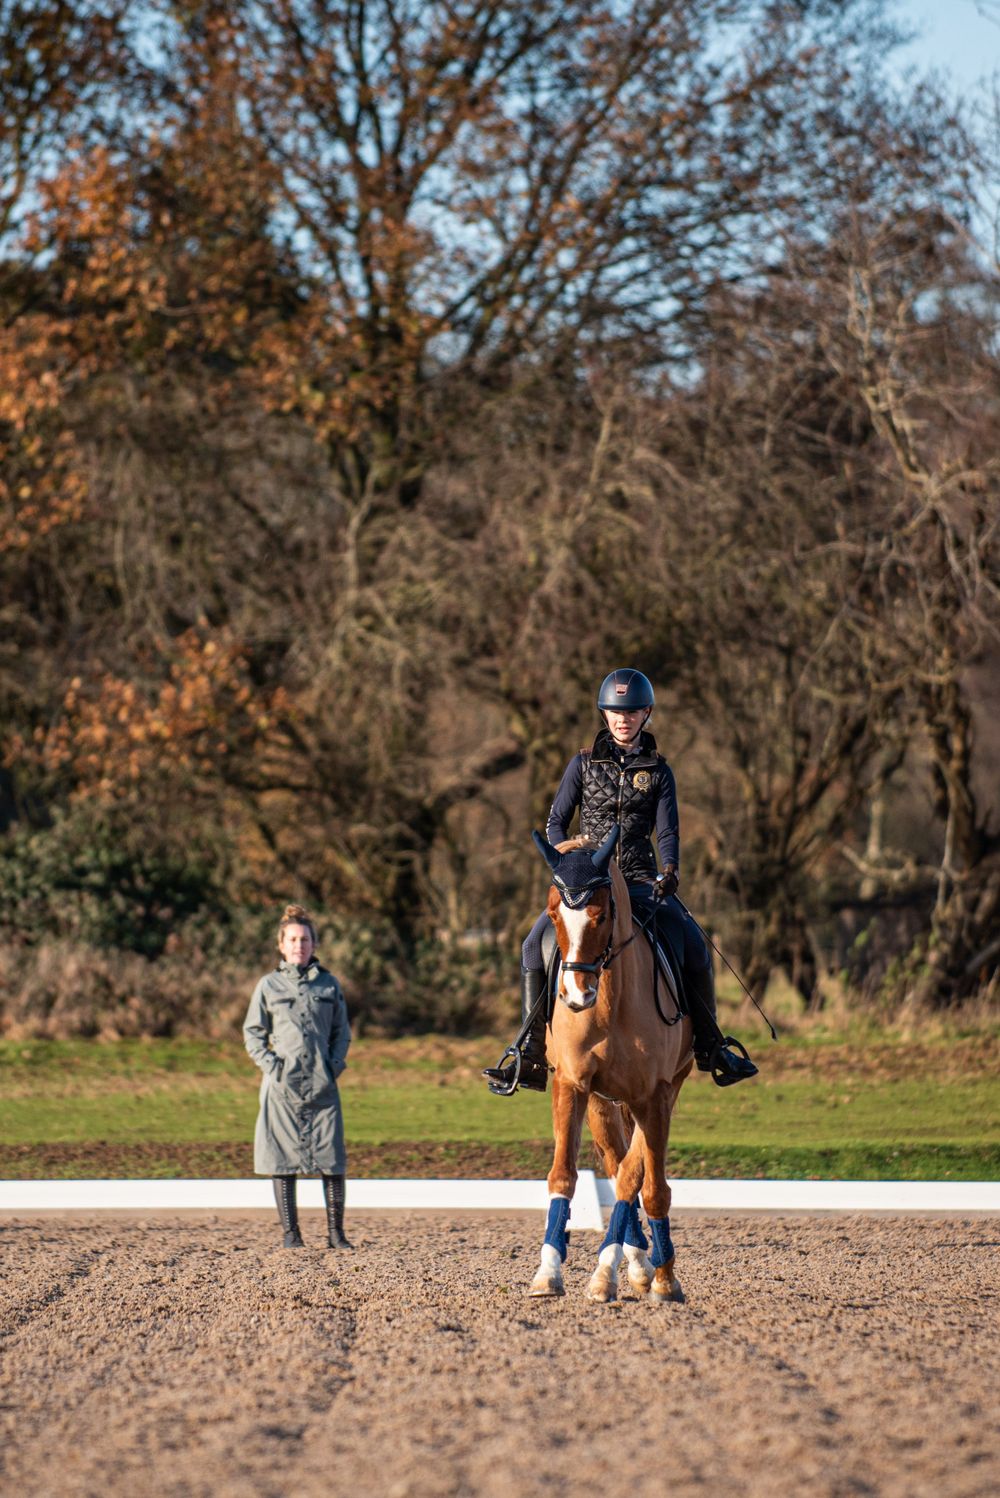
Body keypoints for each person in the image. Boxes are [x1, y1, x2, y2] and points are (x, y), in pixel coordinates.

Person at [483, 668, 758, 1094]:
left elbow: (667, 831)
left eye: (631, 712)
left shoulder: (660, 772)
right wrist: (567, 852)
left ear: (646, 714)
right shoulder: (581, 763)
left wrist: (671, 870)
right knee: (532, 946)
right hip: (587, 881)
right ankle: (531, 1051)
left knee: (692, 944)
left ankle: (710, 1045)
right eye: (615, 711)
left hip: (637, 879)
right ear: (604, 714)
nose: (623, 719)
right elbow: (555, 822)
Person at [243, 903, 353, 1249]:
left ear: (314, 944)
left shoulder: (329, 985)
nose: (298, 945)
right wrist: (274, 1069)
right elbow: (253, 1034)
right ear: (281, 944)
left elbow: (342, 1033)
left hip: (322, 1084)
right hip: (281, 1088)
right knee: (282, 1158)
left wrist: (333, 1066)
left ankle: (337, 1235)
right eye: (292, 939)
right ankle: (292, 1235)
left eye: (304, 939)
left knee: (332, 1159)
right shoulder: (268, 985)